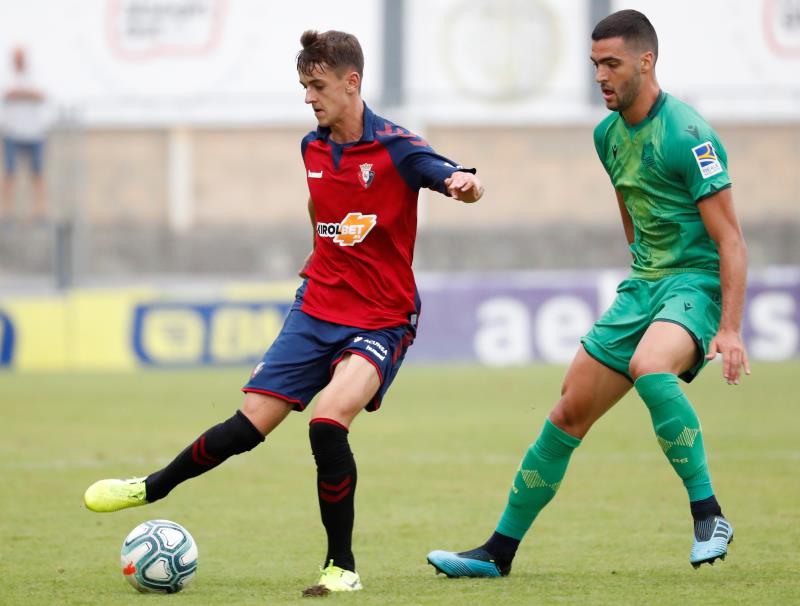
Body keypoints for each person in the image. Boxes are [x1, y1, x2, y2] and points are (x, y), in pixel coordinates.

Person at [83, 30, 483, 594]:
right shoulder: (312, 147)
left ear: (352, 83)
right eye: (303, 86)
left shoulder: (397, 146)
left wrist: (465, 185)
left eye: (317, 86)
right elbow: (322, 207)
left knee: (327, 421)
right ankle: (151, 488)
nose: (308, 98)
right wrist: (324, 249)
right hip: (317, 305)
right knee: (247, 427)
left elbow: (455, 176)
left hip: (381, 317)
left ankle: (341, 568)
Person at [427, 9, 748, 577]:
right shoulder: (606, 135)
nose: (600, 76)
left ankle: (709, 514)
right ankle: (498, 552)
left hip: (693, 284)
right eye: (595, 64)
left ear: (646, 62)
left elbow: (732, 240)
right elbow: (630, 209)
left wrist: (729, 328)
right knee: (568, 410)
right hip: (643, 287)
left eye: (612, 64)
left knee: (652, 366)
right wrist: (641, 278)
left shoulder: (689, 134)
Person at [1, 46, 48, 221]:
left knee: (37, 174)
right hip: (12, 132)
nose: (19, 61)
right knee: (9, 174)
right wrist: (27, 94)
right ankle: (6, 214)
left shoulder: (36, 75)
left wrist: (21, 94)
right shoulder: (6, 76)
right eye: (16, 58)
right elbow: (8, 93)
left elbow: (41, 95)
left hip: (34, 133)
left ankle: (40, 213)